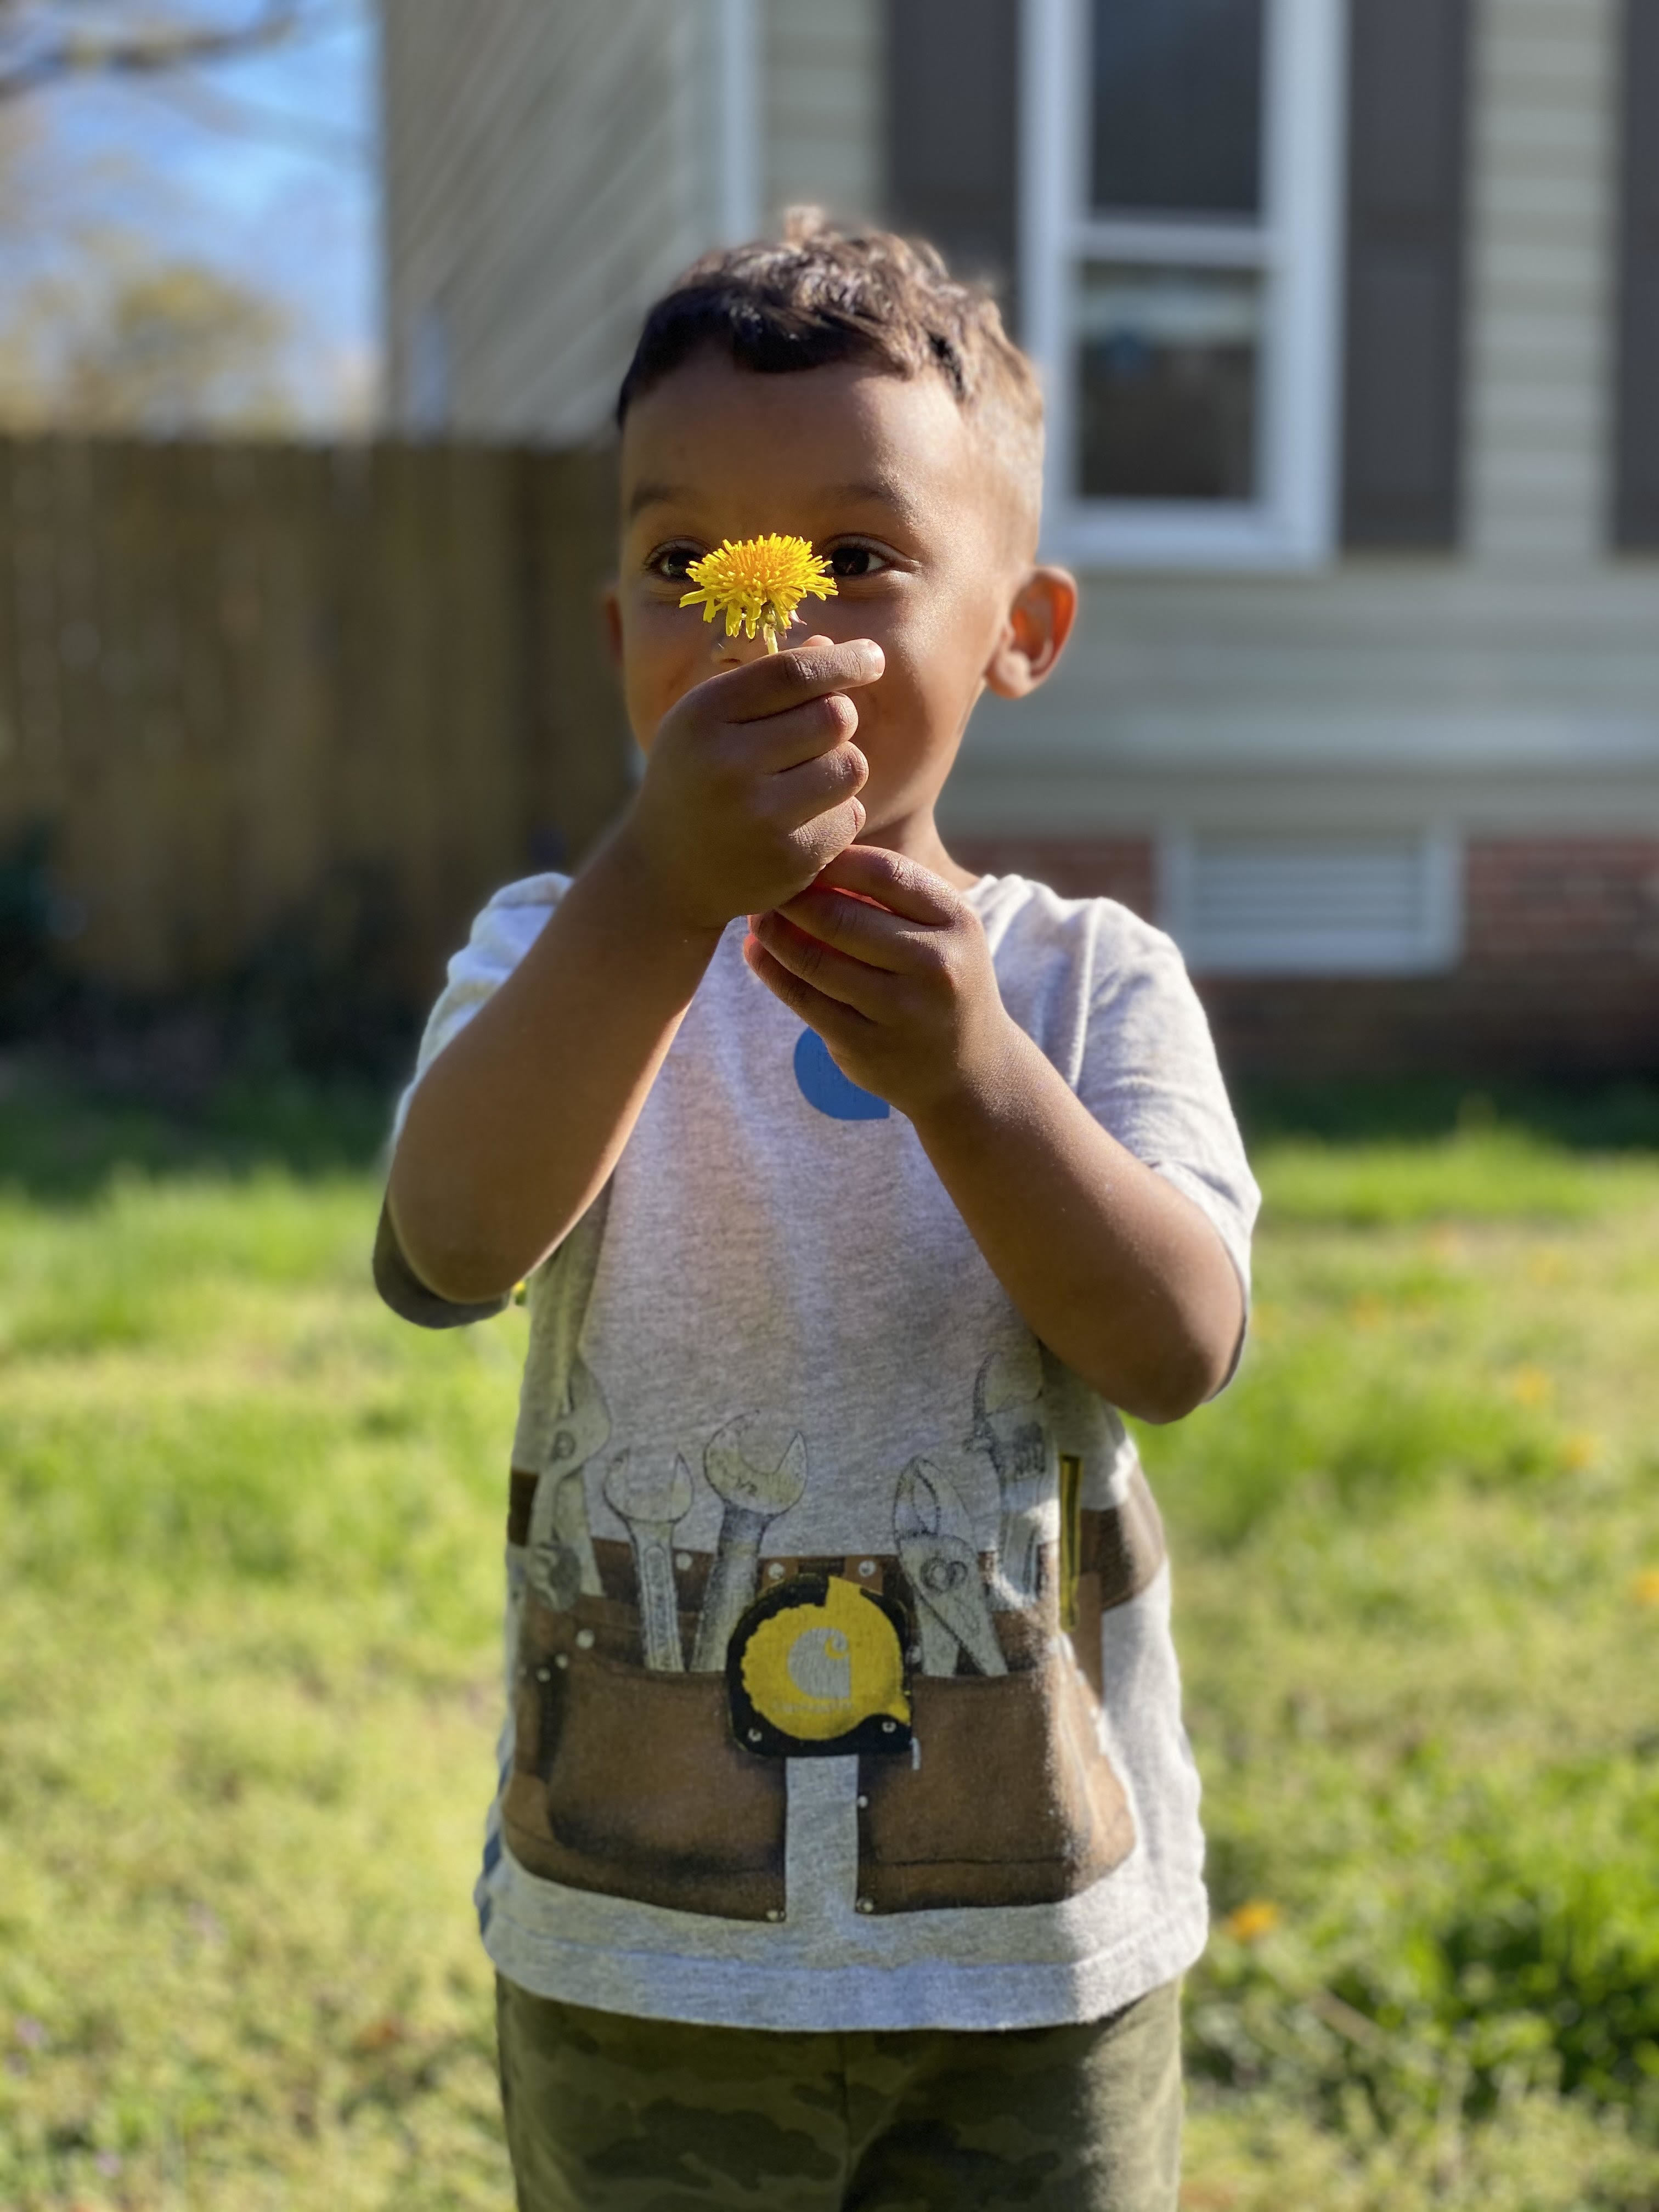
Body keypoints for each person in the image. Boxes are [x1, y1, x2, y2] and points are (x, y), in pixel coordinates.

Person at [377, 210, 1259, 2212]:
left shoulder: (1087, 985)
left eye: (856, 559)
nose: (768, 622)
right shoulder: (557, 954)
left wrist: (973, 1078)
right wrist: (650, 902)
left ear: (1019, 631)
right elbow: (450, 1246)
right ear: (623, 642)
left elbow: (1178, 1348)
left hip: (1029, 1932)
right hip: (646, 1938)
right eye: (694, 568)